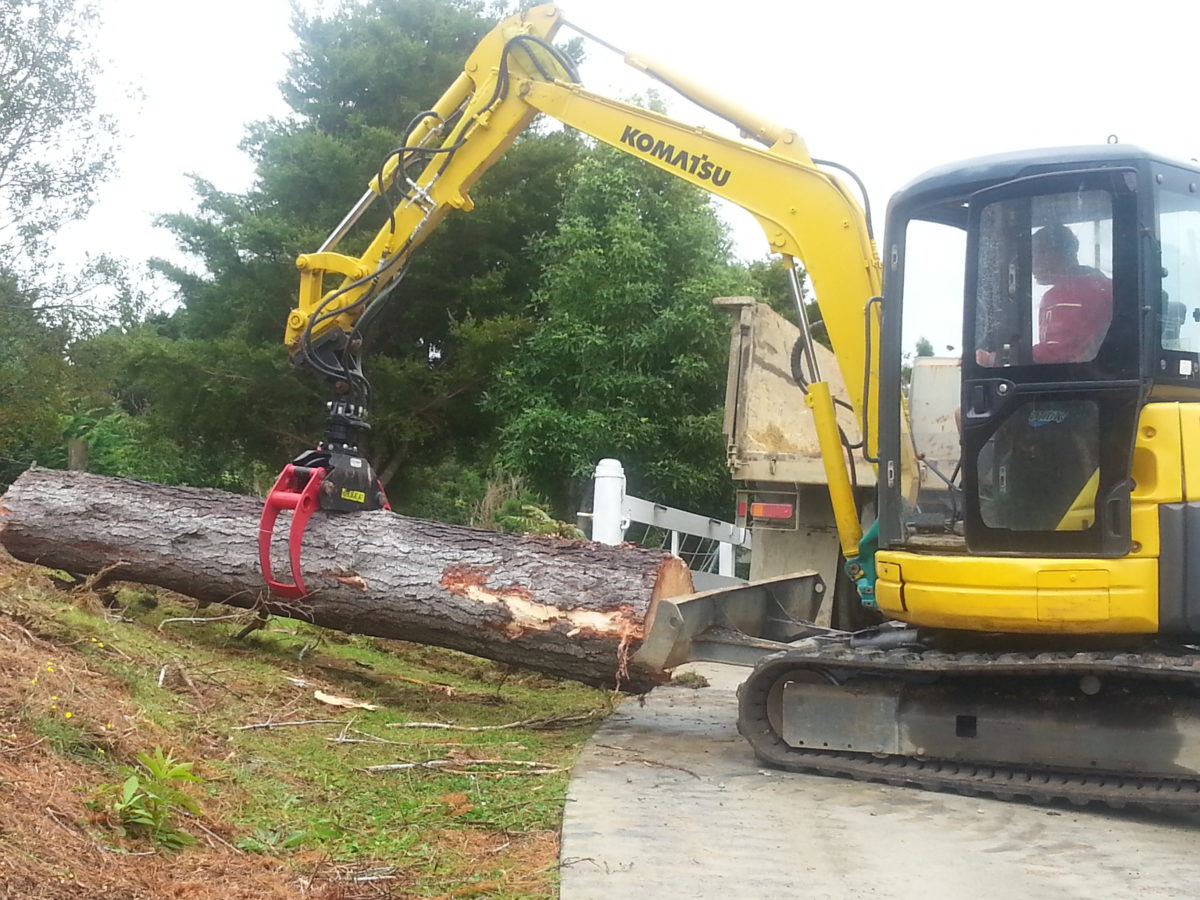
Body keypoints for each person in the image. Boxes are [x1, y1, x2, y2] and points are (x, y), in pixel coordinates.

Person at [976, 224, 1113, 366]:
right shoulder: (1103, 286)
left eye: (1033, 257)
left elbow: (1057, 353)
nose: (1031, 266)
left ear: (1050, 254)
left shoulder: (1064, 295)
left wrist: (993, 359)